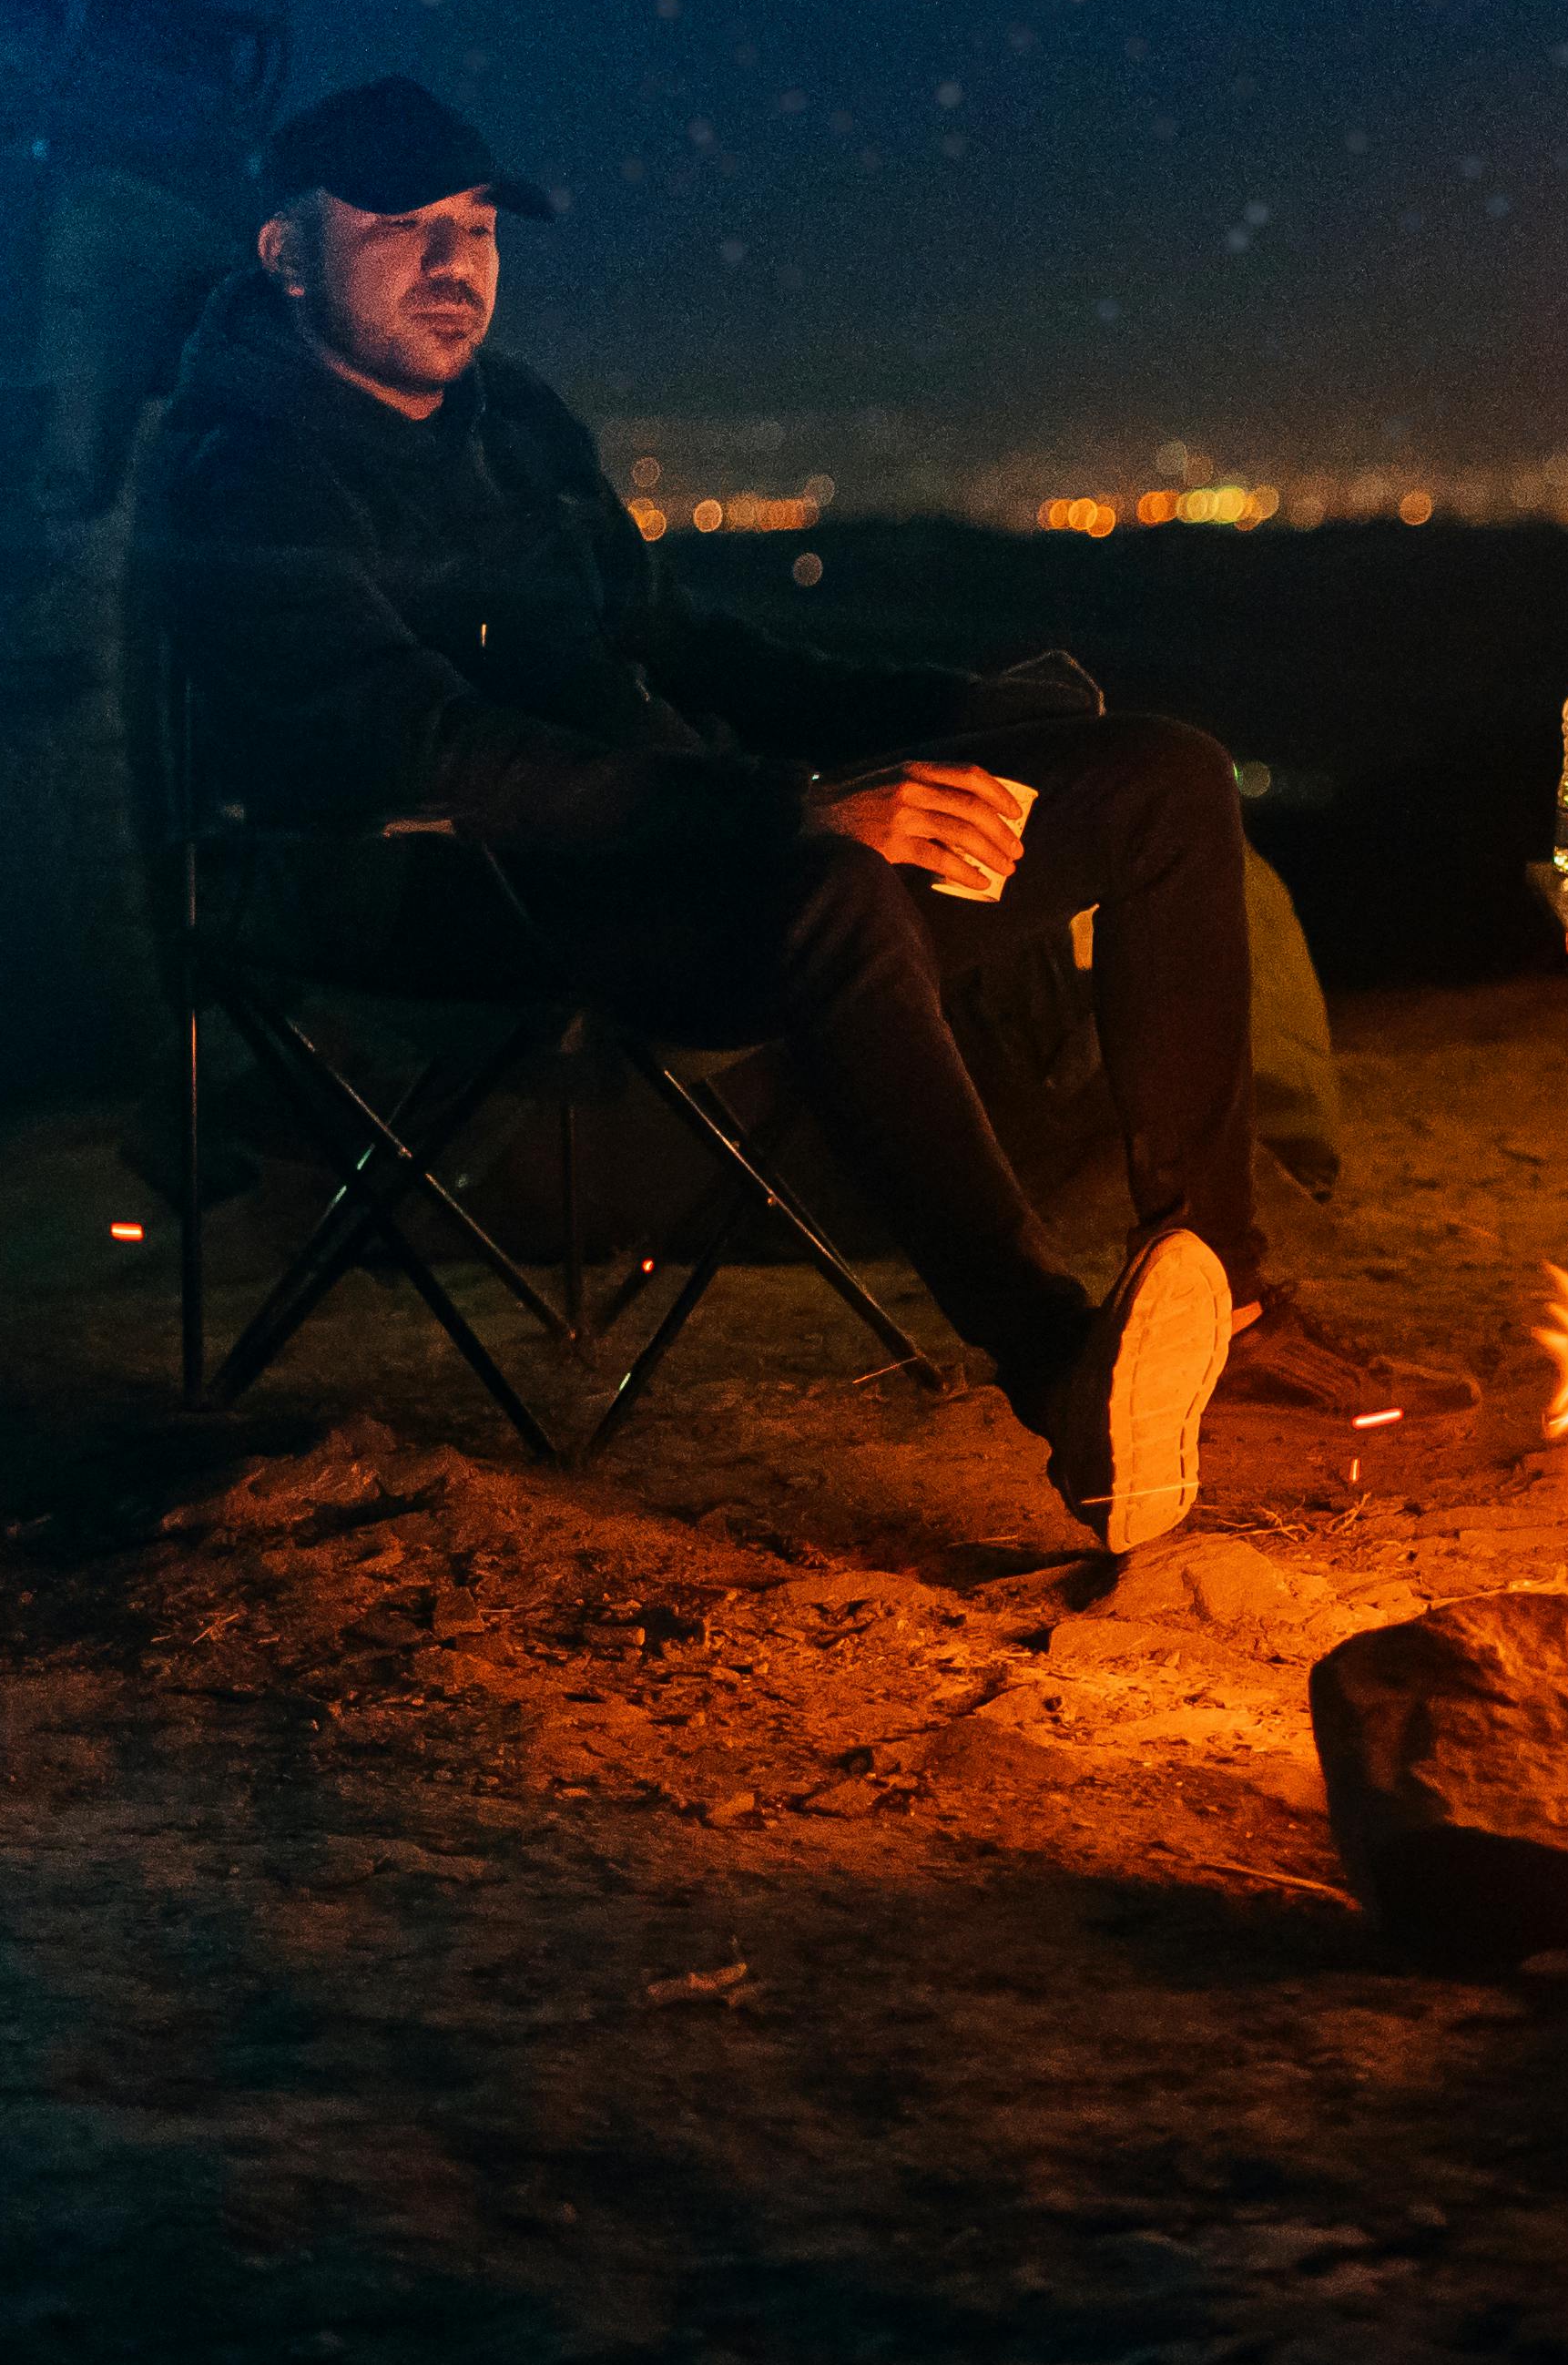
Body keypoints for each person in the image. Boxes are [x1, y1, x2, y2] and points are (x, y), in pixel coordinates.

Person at [150, 76, 1466, 1548]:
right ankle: (1062, 1372)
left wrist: (948, 714)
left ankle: (1224, 1295)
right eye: (402, 230)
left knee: (1159, 777)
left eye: (474, 229)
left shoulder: (510, 424)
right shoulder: (239, 475)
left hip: (681, 854)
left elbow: (690, 650)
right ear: (284, 255)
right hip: (450, 900)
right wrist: (799, 808)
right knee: (835, 886)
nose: (456, 267)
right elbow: (431, 753)